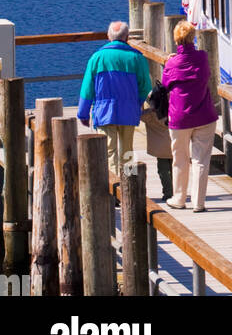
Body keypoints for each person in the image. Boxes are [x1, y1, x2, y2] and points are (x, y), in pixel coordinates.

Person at [77, 21, 151, 182]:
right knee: (128, 151)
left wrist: (83, 113)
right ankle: (130, 187)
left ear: (108, 36)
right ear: (127, 37)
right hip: (129, 111)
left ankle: (112, 188)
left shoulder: (97, 58)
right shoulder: (137, 58)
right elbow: (146, 86)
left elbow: (87, 88)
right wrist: (137, 103)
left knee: (109, 152)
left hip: (104, 111)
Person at [162, 19, 218, 212]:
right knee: (201, 160)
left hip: (179, 118)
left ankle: (179, 198)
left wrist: (169, 61)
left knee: (180, 158)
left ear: (176, 39)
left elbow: (166, 83)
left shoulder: (172, 63)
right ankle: (198, 202)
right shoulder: (202, 57)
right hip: (204, 115)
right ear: (193, 38)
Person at [141, 87, 173, 200]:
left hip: (160, 151)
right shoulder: (173, 112)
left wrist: (145, 104)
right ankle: (176, 190)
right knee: (175, 169)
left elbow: (138, 114)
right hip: (175, 146)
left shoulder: (150, 116)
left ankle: (168, 192)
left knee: (163, 171)